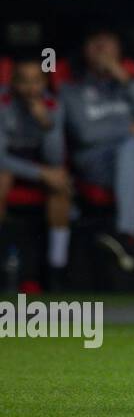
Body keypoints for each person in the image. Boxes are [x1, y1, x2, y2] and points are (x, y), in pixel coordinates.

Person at [62, 29, 134, 293]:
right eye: (94, 41)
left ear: (119, 50)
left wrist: (124, 78)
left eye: (108, 41)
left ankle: (126, 237)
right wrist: (130, 128)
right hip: (98, 163)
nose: (101, 48)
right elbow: (85, 133)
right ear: (84, 50)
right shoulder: (72, 88)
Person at [0, 58, 72, 288]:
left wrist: (46, 125)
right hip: (9, 166)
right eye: (24, 81)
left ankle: (56, 270)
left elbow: (55, 159)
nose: (31, 88)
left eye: (36, 81)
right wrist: (40, 173)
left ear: (45, 82)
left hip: (39, 167)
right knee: (1, 179)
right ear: (12, 82)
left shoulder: (53, 106)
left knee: (60, 186)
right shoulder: (2, 103)